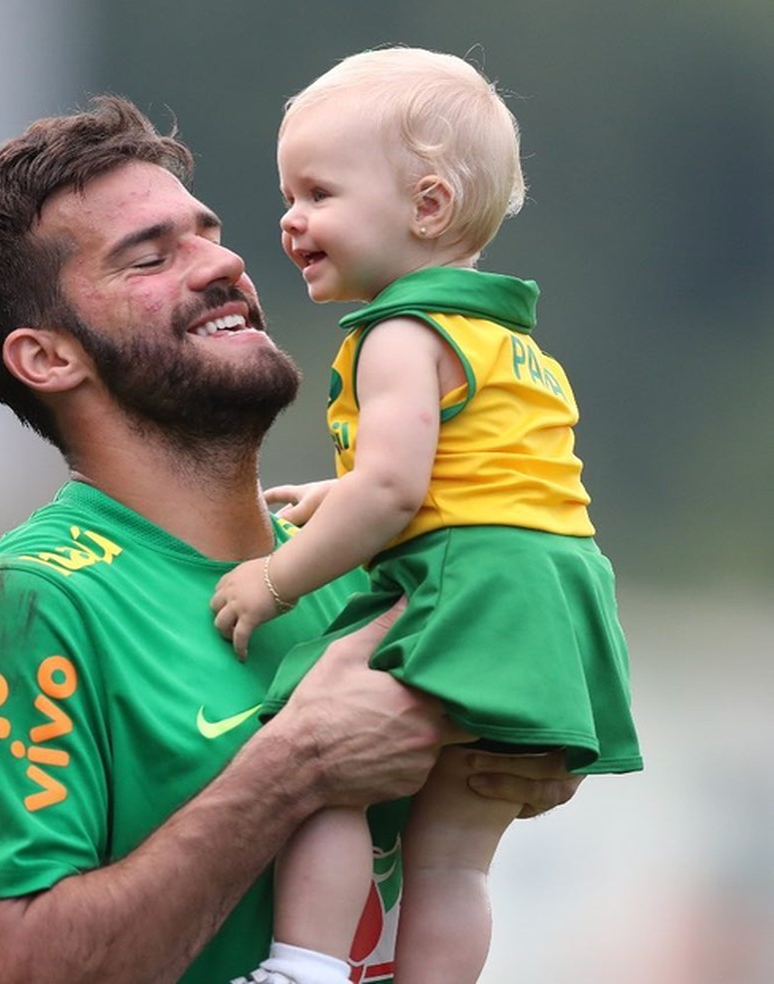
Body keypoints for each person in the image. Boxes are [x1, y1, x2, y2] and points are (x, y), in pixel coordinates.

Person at [0, 93, 584, 984]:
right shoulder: (22, 608)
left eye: (208, 233)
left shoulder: (375, 563)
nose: (222, 262)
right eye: (150, 256)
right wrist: (293, 766)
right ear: (49, 358)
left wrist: (524, 748)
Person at [211, 48, 643, 984]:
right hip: (554, 594)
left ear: (430, 206)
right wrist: (346, 488)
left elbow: (395, 492)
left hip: (471, 584)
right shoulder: (509, 342)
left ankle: (305, 969)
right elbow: (482, 476)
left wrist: (276, 577)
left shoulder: (397, 332)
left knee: (327, 769)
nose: (291, 218)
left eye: (318, 192)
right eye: (289, 194)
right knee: (451, 857)